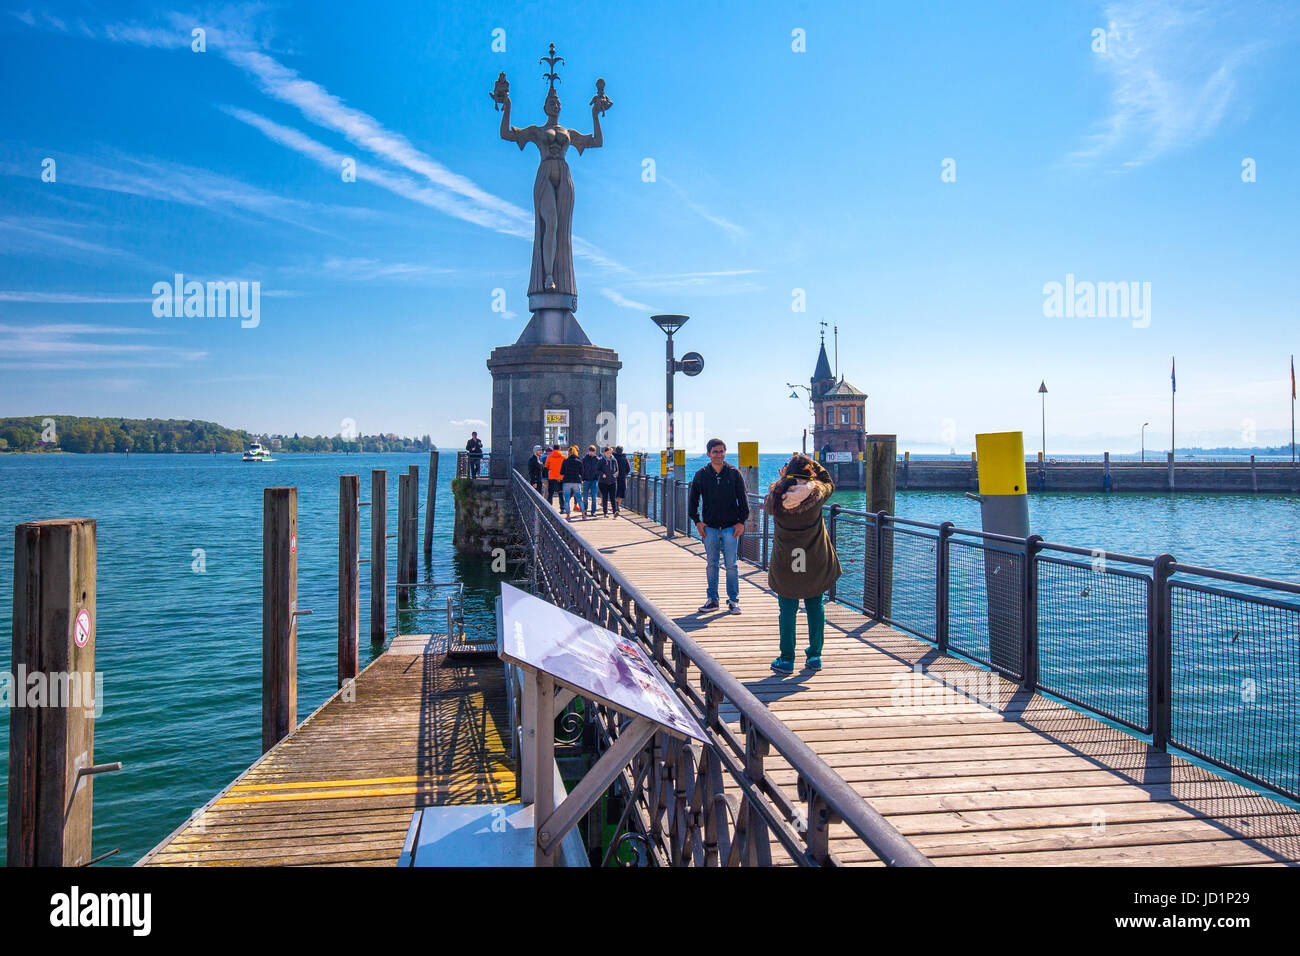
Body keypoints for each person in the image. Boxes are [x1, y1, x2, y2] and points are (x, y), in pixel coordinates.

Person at [764, 454, 841, 673]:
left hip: (786, 562)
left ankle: (787, 659)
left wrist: (781, 480)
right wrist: (814, 464)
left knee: (787, 610)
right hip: (813, 560)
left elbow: (769, 502)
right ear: (809, 472)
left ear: (787, 473)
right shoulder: (816, 494)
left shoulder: (775, 496)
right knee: (815, 606)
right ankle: (815, 656)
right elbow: (829, 482)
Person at [688, 438, 749, 614]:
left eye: (721, 451)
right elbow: (693, 500)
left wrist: (741, 522)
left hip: (731, 527)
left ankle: (733, 601)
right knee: (712, 564)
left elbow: (743, 500)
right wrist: (697, 522)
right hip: (710, 528)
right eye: (715, 451)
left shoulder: (734, 473)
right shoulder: (701, 474)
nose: (719, 454)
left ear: (725, 452)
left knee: (732, 565)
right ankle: (713, 600)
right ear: (708, 454)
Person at [559, 446, 584, 519]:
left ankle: (568, 515)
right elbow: (582, 473)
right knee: (579, 498)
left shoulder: (565, 461)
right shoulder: (579, 462)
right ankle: (583, 514)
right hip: (576, 481)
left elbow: (562, 472)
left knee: (566, 499)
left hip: (567, 481)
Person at [580, 444, 602, 517]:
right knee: (585, 497)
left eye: (592, 451)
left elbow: (599, 470)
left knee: (594, 497)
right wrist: (583, 479)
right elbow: (581, 470)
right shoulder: (584, 459)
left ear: (595, 452)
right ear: (588, 451)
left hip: (594, 480)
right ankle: (585, 510)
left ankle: (593, 512)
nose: (591, 452)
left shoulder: (597, 459)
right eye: (590, 451)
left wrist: (597, 478)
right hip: (586, 480)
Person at [598, 446, 619, 516]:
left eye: (610, 453)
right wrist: (602, 474)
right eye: (607, 453)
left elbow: (617, 470)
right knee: (605, 497)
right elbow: (597, 470)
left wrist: (616, 474)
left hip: (612, 481)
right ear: (604, 453)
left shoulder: (614, 460)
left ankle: (615, 511)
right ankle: (605, 512)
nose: (609, 454)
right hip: (603, 482)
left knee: (613, 497)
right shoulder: (601, 460)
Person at [545, 443, 565, 507]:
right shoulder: (563, 457)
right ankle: (562, 508)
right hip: (560, 478)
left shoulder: (549, 456)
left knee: (550, 493)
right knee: (561, 493)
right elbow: (565, 467)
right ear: (560, 449)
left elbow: (546, 466)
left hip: (551, 477)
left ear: (553, 449)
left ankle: (549, 507)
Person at [614, 445, 630, 512]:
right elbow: (628, 469)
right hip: (622, 478)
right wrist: (624, 474)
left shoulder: (613, 458)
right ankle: (618, 506)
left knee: (614, 492)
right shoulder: (624, 458)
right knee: (620, 493)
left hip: (614, 477)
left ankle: (614, 505)